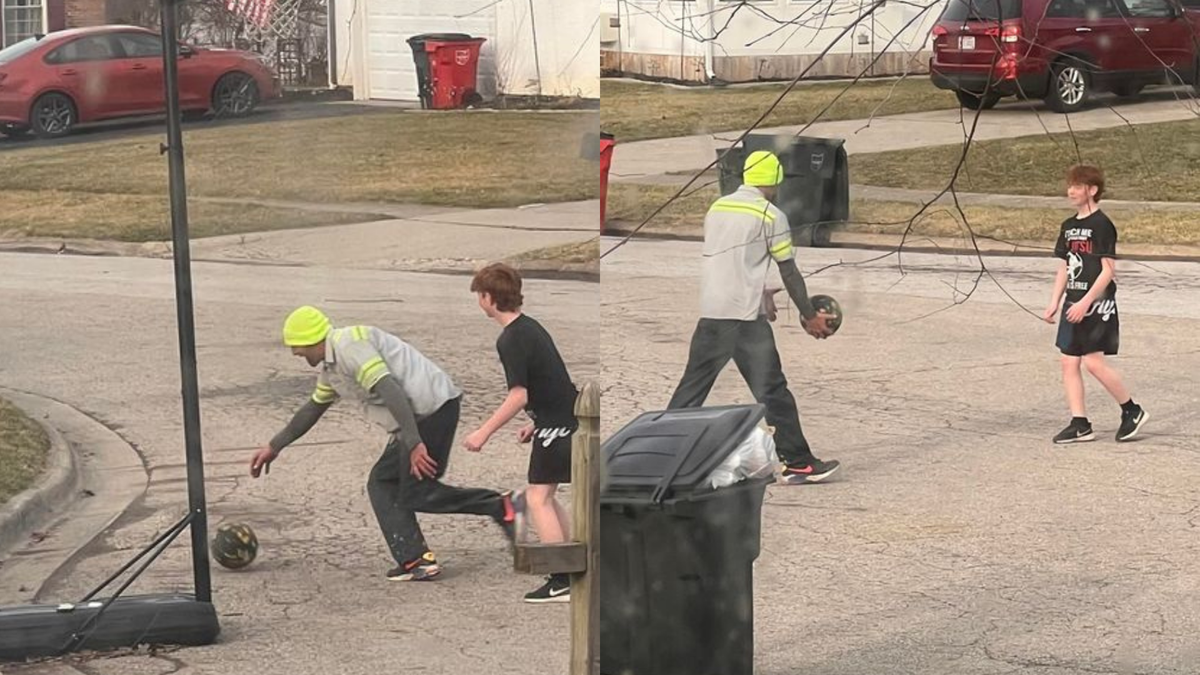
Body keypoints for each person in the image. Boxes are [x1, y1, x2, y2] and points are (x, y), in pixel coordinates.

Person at [249, 306, 521, 581]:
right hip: (418, 418)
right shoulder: (332, 368)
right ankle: (414, 558)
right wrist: (275, 446)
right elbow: (312, 409)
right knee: (383, 481)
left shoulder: (348, 346)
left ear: (308, 339)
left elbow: (390, 388)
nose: (296, 353)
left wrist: (414, 443)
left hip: (432, 409)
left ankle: (500, 506)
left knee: (419, 491)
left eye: (296, 346)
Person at [668, 150, 841, 485]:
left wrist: (762, 294)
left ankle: (656, 455)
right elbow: (788, 271)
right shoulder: (769, 214)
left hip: (712, 313)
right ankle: (799, 463)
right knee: (774, 391)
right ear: (775, 180)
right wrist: (809, 315)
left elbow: (735, 263)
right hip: (744, 321)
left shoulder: (718, 208)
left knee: (689, 393)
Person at [464, 263, 577, 604]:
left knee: (536, 498)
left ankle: (562, 579)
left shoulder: (511, 339)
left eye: (478, 296)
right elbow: (552, 382)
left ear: (488, 297)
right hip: (562, 420)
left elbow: (519, 394)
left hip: (558, 427)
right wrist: (537, 421)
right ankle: (573, 566)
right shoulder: (531, 328)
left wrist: (483, 432)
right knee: (544, 495)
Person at [1043, 165, 1148, 444]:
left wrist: (1086, 302)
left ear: (1092, 190)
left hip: (1097, 303)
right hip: (1073, 302)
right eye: (1070, 186)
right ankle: (1080, 424)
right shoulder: (1068, 226)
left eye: (1077, 186)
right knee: (1068, 362)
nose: (1071, 191)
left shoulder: (1101, 225)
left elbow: (1107, 271)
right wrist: (1055, 301)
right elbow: (1065, 267)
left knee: (1093, 363)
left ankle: (1132, 410)